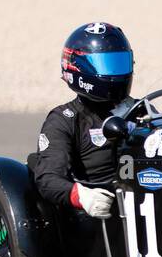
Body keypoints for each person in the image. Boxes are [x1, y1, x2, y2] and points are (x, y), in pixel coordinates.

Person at [30, 22, 135, 219]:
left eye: (120, 63)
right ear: (80, 68)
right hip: (93, 221)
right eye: (108, 65)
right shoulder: (63, 120)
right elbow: (47, 178)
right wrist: (82, 196)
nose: (116, 73)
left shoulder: (141, 110)